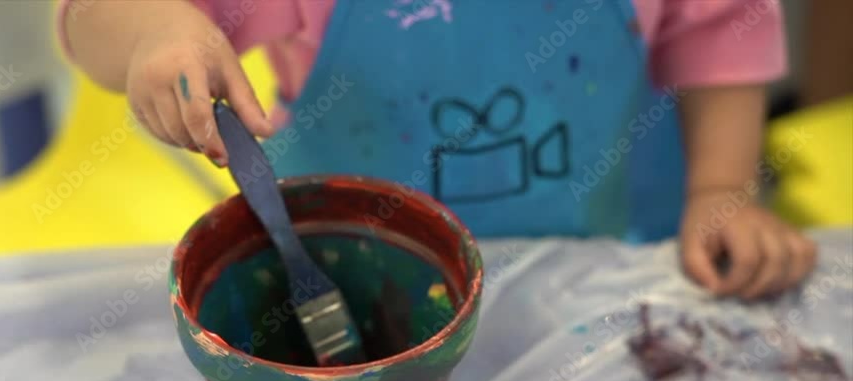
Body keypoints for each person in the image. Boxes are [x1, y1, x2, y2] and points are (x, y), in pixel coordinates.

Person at [57, 0, 817, 300]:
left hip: (602, 258)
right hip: (350, 274)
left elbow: (723, 28)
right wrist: (156, 32)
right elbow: (95, 17)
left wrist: (720, 190)